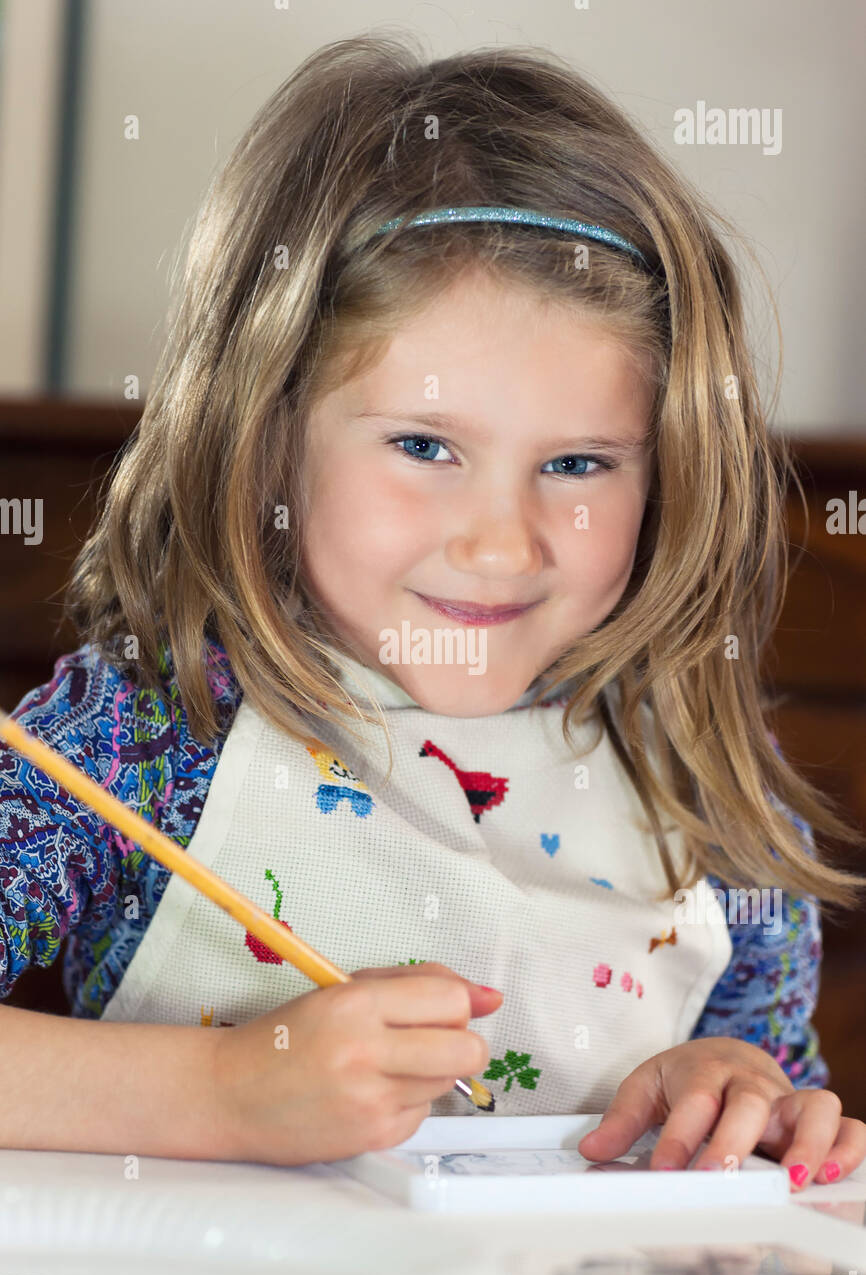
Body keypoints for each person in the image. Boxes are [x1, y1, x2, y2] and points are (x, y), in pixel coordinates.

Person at [2, 35, 864, 1186]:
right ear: (266, 439)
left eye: (578, 464)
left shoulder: (709, 790)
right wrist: (222, 1091)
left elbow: (770, 1116)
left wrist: (735, 1095)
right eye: (423, 445)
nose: (501, 542)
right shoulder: (143, 735)